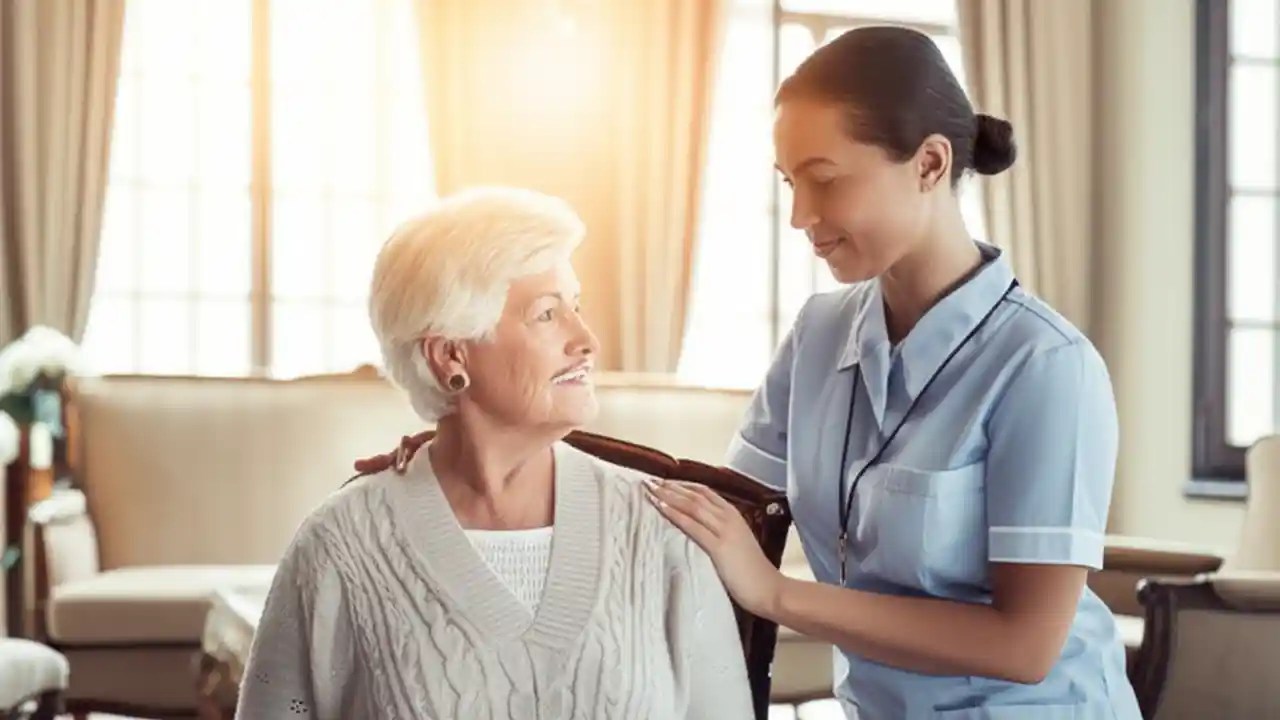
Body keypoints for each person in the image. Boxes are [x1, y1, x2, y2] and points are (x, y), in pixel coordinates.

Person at [643, 26, 1142, 719]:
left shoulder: (1046, 367)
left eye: (824, 180)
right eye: (790, 184)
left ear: (930, 164)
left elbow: (1025, 646)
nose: (800, 216)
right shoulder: (818, 336)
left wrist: (778, 594)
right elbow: (730, 514)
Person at [236, 186, 752, 719]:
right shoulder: (342, 547)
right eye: (548, 315)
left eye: (576, 307)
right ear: (450, 355)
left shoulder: (661, 532)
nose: (588, 340)